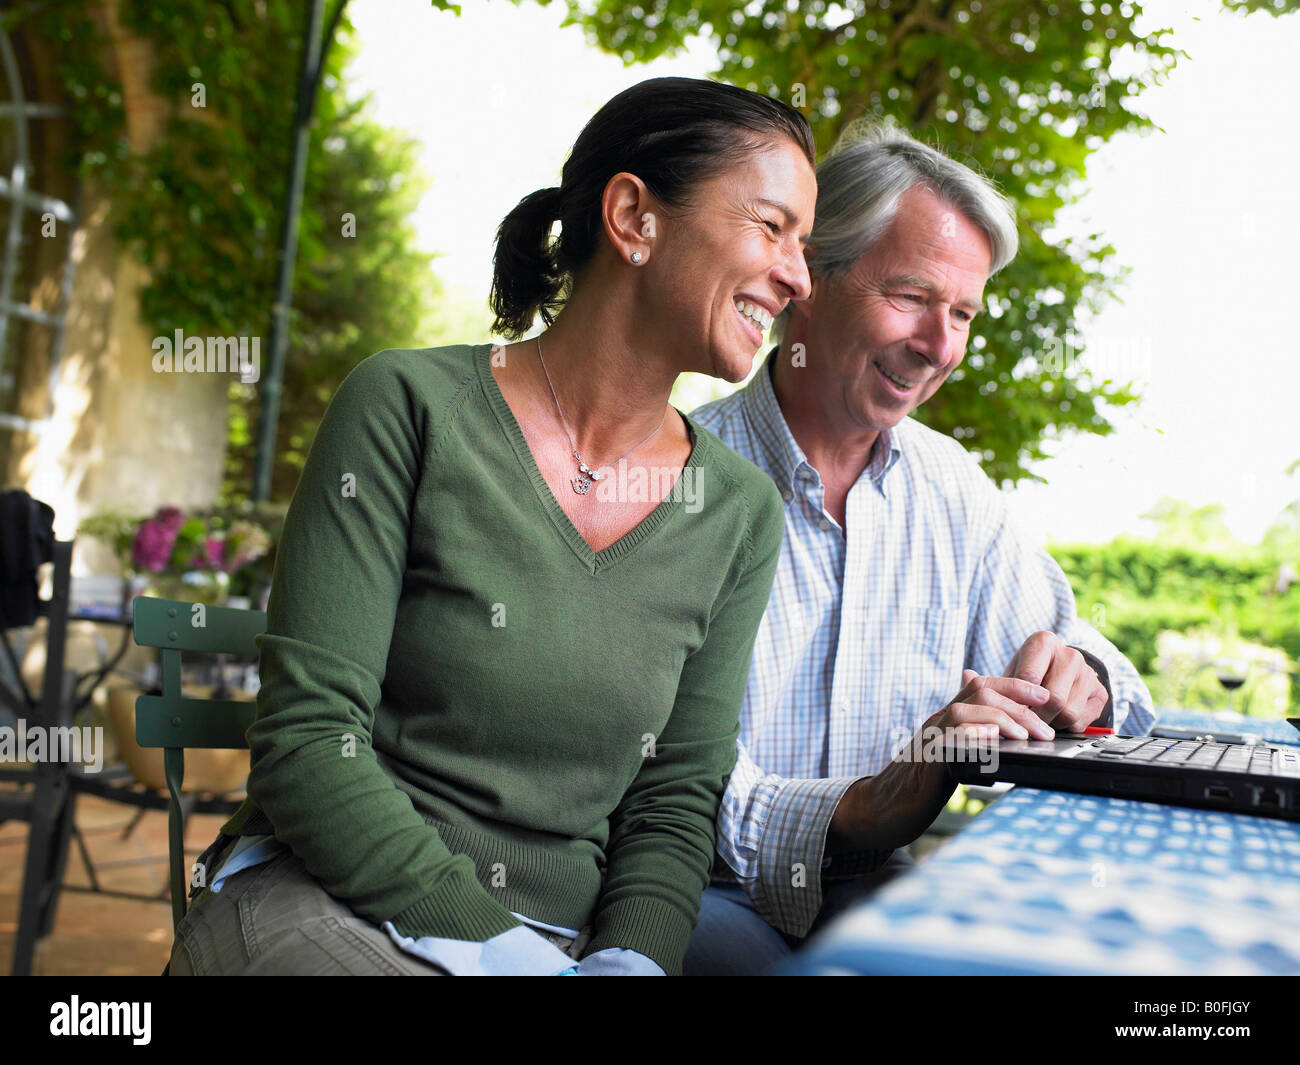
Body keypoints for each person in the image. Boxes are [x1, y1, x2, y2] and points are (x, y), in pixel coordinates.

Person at [168, 76, 816, 976]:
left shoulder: (741, 513)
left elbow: (672, 797)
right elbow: (310, 739)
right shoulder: (407, 406)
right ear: (634, 216)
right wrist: (495, 950)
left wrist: (630, 960)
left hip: (561, 943)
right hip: (324, 897)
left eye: (806, 244)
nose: (798, 275)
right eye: (772, 227)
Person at [685, 122, 1156, 975]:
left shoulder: (950, 486)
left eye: (963, 313)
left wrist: (1078, 676)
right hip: (701, 898)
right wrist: (865, 807)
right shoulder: (678, 478)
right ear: (810, 279)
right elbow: (659, 780)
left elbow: (1102, 675)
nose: (941, 346)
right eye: (911, 296)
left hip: (883, 896)